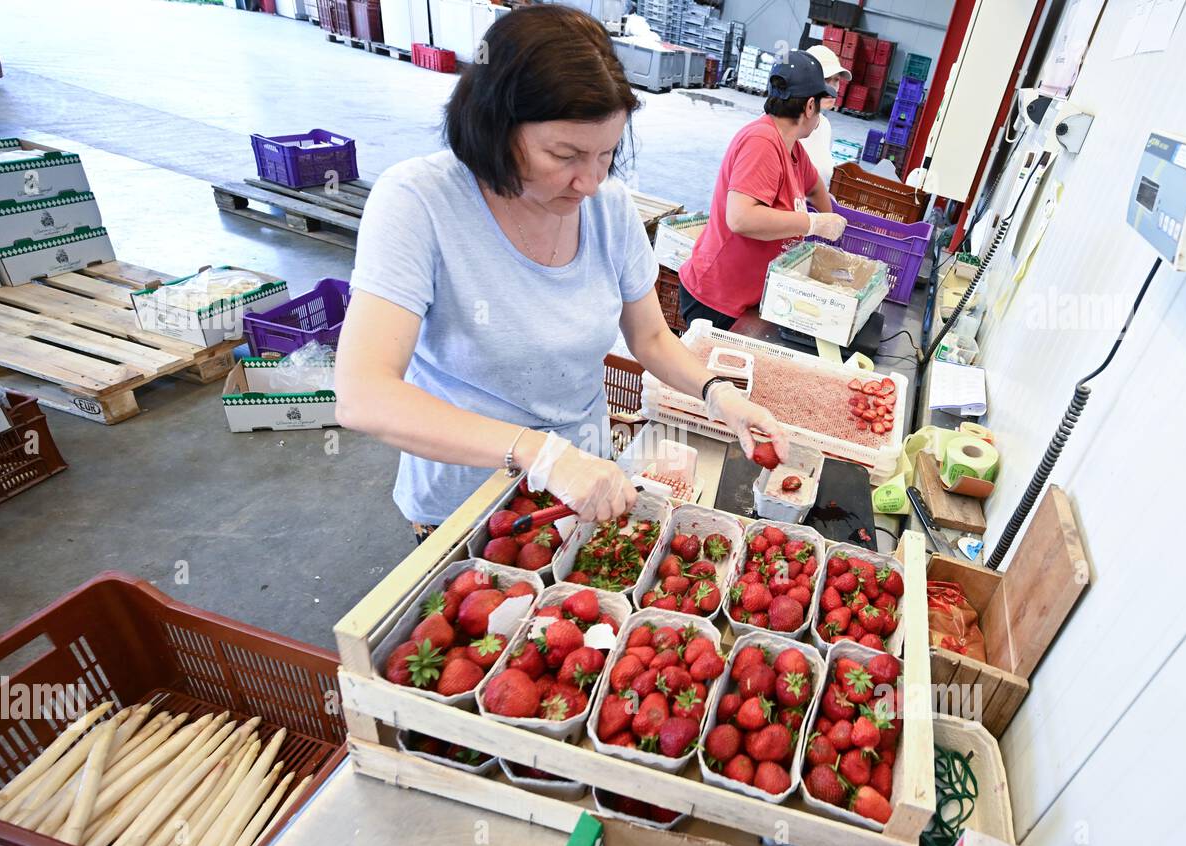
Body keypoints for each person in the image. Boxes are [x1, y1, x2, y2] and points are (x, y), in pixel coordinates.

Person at [333, 5, 787, 539]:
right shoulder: (419, 203)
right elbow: (363, 394)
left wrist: (719, 396)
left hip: (589, 490)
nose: (589, 182)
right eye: (565, 155)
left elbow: (650, 338)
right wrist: (539, 453)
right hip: (469, 508)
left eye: (606, 154)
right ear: (494, 126)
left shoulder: (609, 208)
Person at [677, 50, 849, 331]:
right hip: (718, 298)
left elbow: (815, 185)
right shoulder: (762, 142)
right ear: (809, 107)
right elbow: (741, 218)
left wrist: (828, 235)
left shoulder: (791, 147)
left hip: (749, 296)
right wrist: (813, 223)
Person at [800, 44, 850, 190]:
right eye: (826, 79)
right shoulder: (788, 124)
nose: (832, 87)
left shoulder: (824, 126)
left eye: (836, 80)